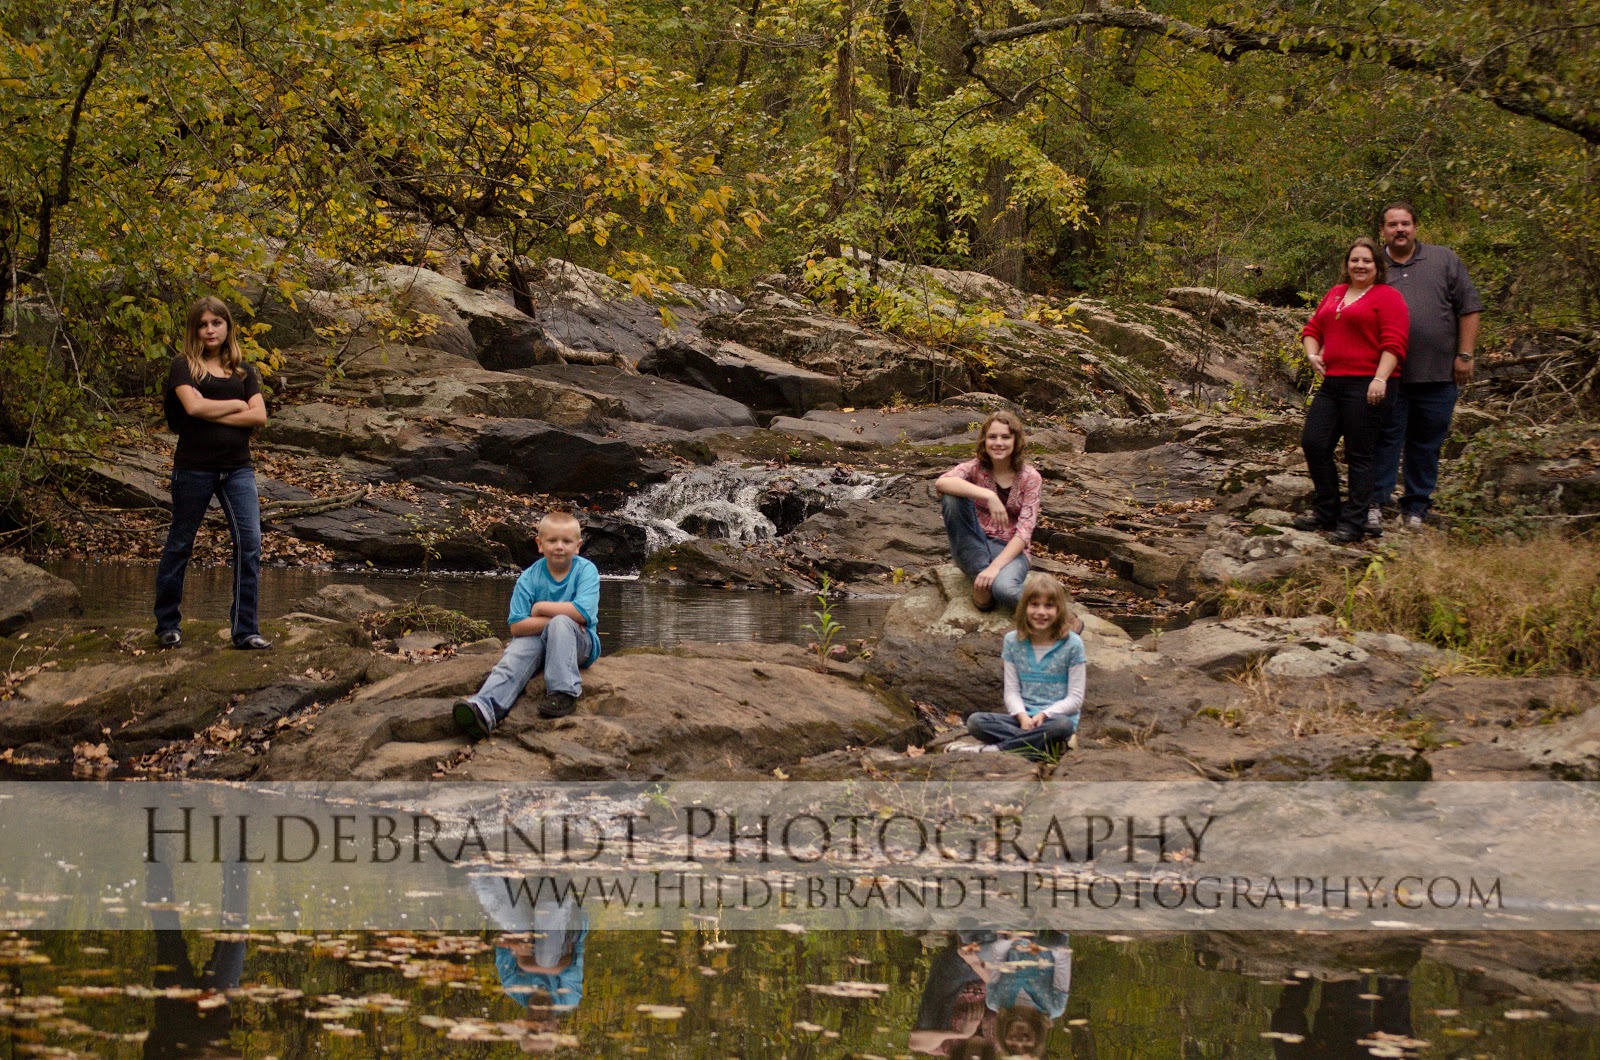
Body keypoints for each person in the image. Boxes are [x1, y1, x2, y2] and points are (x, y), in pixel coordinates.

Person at [153, 296, 270, 650]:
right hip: (194, 468)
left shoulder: (244, 371)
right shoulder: (183, 366)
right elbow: (192, 406)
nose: (209, 330)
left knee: (249, 545)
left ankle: (245, 630)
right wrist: (237, 405)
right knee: (180, 544)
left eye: (216, 323)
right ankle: (168, 624)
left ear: (227, 326)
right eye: (203, 324)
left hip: (237, 469)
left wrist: (216, 410)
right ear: (195, 330)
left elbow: (259, 417)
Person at [1368, 201, 1484, 531]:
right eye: (1392, 225)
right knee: (1385, 439)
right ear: (1383, 230)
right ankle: (1376, 503)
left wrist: (1465, 355)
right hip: (1388, 375)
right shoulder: (1373, 264)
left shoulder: (1444, 259)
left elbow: (1470, 308)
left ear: (1415, 227)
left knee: (1427, 442)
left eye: (1405, 223)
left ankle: (1416, 508)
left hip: (1438, 373)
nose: (1400, 229)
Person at [1295, 237, 1409, 544]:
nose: (1360, 265)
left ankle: (1354, 523)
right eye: (1355, 260)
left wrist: (1380, 379)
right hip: (1333, 383)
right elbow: (1312, 330)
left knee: (1360, 454)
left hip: (1369, 384)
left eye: (1367, 261)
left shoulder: (1388, 297)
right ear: (1347, 264)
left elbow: (1395, 343)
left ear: (1377, 266)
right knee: (1314, 443)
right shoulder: (1335, 294)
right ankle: (1326, 512)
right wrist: (1312, 354)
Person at [454, 511, 601, 737]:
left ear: (578, 546)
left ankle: (563, 692)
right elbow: (517, 626)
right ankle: (484, 708)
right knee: (515, 654)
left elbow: (581, 612)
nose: (559, 547)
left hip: (579, 643)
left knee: (562, 624)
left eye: (566, 541)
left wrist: (541, 608)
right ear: (540, 545)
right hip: (535, 638)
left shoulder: (586, 571)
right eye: (552, 541)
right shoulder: (529, 577)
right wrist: (558, 618)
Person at [960, 572, 1085, 761]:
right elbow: (1011, 691)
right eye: (1034, 605)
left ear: (1059, 610)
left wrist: (1045, 714)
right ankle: (1042, 748)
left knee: (1062, 726)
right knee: (976, 722)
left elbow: (1075, 698)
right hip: (1022, 721)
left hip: (1054, 720)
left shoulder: (1072, 644)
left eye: (1049, 606)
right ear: (1024, 607)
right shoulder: (1012, 641)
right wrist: (1022, 717)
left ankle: (995, 750)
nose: (1041, 612)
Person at [935, 410, 1042, 614]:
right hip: (973, 544)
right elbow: (942, 482)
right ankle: (982, 585)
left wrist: (993, 569)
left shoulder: (1030, 477)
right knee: (952, 495)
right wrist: (988, 495)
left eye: (1005, 437)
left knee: (1005, 589)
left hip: (1010, 550)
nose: (998, 443)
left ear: (1016, 440)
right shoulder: (975, 468)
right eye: (992, 437)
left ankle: (1061, 619)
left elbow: (1024, 533)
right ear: (984, 441)